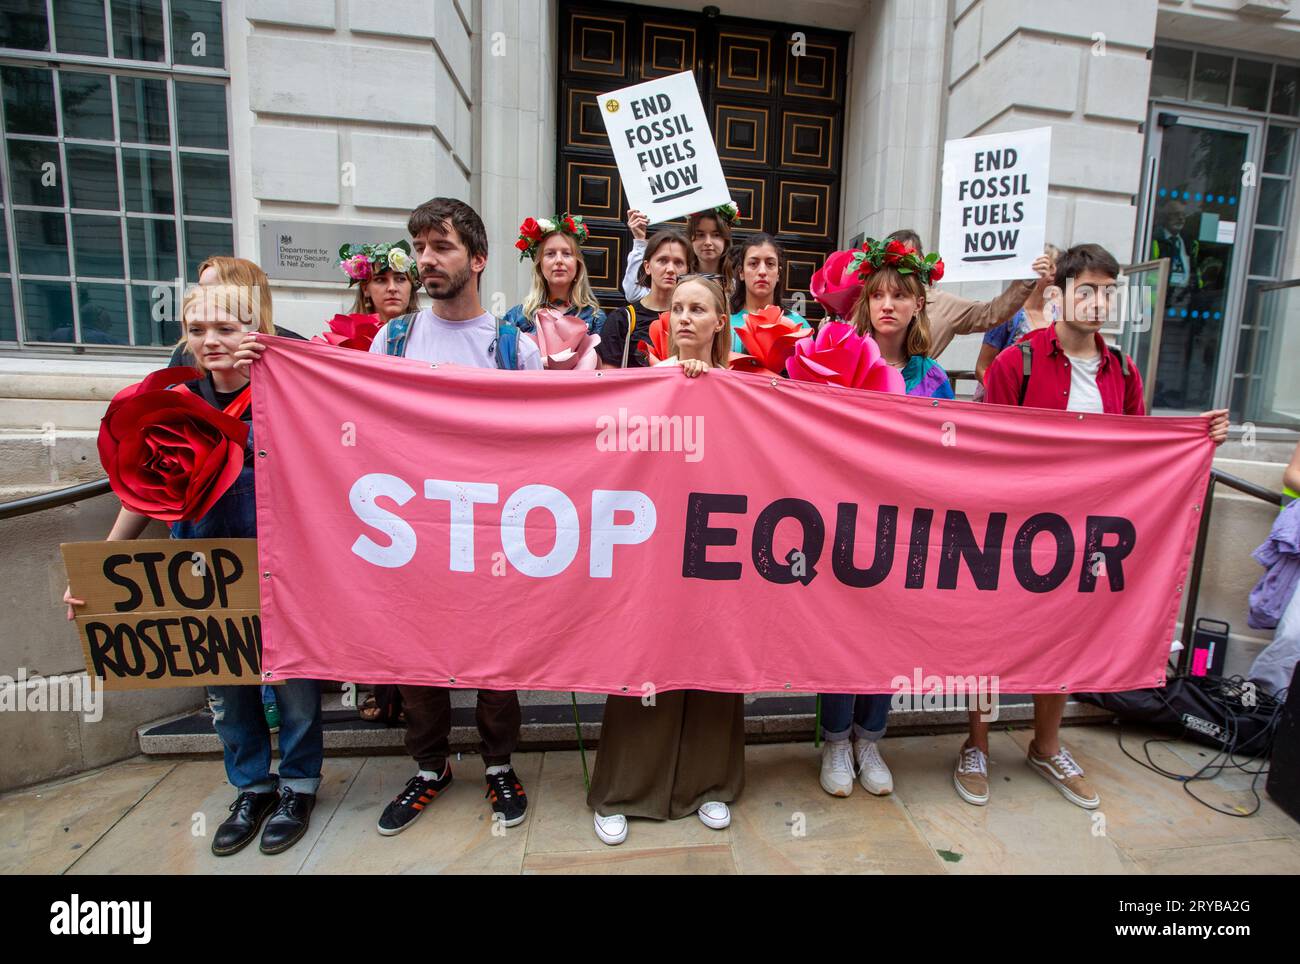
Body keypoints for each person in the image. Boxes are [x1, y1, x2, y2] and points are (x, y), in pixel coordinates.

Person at [236, 197, 542, 836]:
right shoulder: (393, 338)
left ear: (478, 259)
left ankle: (498, 765)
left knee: (497, 655)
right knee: (419, 656)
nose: (426, 261)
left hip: (490, 533)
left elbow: (540, 444)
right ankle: (430, 768)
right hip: (414, 533)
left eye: (442, 248)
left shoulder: (515, 347)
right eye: (421, 248)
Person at [65, 281, 325, 857]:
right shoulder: (173, 401)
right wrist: (103, 569)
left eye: (226, 328)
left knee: (297, 683)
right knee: (228, 685)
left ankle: (299, 786)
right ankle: (252, 787)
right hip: (204, 570)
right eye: (198, 329)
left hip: (284, 568)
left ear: (256, 330)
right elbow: (142, 491)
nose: (211, 341)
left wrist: (290, 363)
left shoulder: (292, 394)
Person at [970, 243, 1230, 811]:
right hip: (1013, 526)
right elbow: (985, 440)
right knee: (993, 634)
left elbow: (1142, 450)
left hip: (1083, 532)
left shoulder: (1123, 370)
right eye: (1087, 289)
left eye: (1109, 292)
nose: (1099, 302)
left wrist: (1198, 436)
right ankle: (978, 743)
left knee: (1065, 632)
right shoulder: (1020, 361)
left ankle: (1046, 744)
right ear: (1060, 295)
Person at [587, 275, 743, 846]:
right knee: (642, 660)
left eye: (698, 309)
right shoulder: (644, 383)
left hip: (718, 546)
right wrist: (674, 385)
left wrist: (714, 387)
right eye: (677, 307)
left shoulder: (743, 387)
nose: (684, 317)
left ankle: (709, 786)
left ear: (719, 321)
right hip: (650, 549)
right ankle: (624, 791)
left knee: (711, 658)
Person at [885, 229, 1041, 360]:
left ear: (920, 262)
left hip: (913, 393)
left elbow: (989, 313)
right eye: (892, 260)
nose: (899, 269)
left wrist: (1026, 277)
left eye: (906, 260)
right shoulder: (873, 303)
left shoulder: (940, 304)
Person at [168, 256, 303, 367]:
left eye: (214, 289)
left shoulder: (292, 348)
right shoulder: (186, 352)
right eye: (201, 288)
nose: (203, 296)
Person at [598, 228, 692, 368]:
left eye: (678, 263)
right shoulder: (623, 320)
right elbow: (608, 378)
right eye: (662, 260)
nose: (670, 269)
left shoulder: (692, 319)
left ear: (687, 270)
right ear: (647, 267)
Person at [974, 244, 1063, 386]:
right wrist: (1004, 396)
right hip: (1010, 399)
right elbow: (982, 368)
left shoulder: (1059, 314)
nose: (1054, 272)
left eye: (1057, 267)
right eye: (1047, 267)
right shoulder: (1008, 313)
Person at [504, 214, 605, 334]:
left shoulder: (595, 318)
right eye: (550, 254)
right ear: (540, 265)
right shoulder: (518, 317)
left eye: (567, 254)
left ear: (578, 264)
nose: (559, 260)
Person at [619, 202, 739, 301]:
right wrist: (639, 240)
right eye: (700, 235)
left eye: (716, 235)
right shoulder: (677, 277)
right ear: (690, 238)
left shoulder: (737, 284)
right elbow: (634, 294)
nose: (708, 242)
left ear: (726, 239)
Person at [727, 232, 808, 354]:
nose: (762, 271)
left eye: (770, 264)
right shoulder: (723, 323)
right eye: (753, 263)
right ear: (741, 272)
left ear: (778, 274)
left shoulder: (798, 326)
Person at [340, 239, 421, 322]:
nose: (392, 288)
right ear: (365, 288)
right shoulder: (349, 334)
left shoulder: (427, 333)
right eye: (380, 280)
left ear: (412, 285)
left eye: (400, 279)